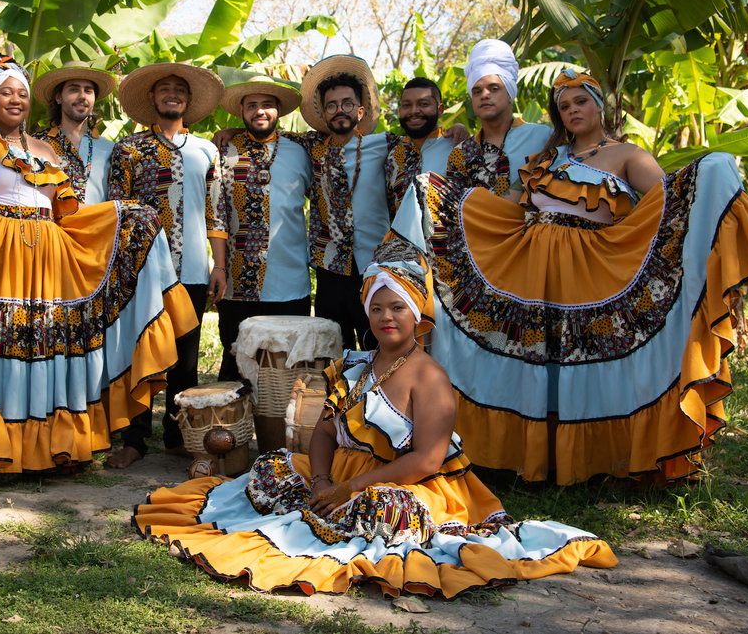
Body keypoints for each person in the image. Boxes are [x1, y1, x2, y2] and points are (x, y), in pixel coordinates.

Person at [133, 239, 617, 598]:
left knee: (383, 510)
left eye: (398, 308)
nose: (388, 317)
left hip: (407, 484)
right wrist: (323, 478)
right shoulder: (355, 364)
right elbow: (324, 429)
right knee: (274, 467)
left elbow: (427, 459)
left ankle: (337, 513)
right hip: (342, 475)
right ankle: (324, 506)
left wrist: (349, 490)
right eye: (378, 308)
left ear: (417, 314)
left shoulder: (431, 378)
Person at [391, 67, 748, 484]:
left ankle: (597, 462)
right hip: (531, 271)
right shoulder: (547, 160)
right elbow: (507, 207)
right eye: (564, 106)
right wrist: (446, 201)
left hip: (589, 270)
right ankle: (533, 458)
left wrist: (711, 173)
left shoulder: (629, 155)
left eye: (581, 102)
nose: (573, 110)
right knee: (539, 358)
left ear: (600, 106)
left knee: (582, 356)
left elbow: (667, 206)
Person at [0, 54, 198, 474]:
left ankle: (57, 448)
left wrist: (124, 219)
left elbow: (69, 212)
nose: (15, 100)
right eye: (5, 93)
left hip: (50, 257)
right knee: (6, 348)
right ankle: (4, 447)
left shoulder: (46, 150)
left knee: (49, 348)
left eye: (21, 93)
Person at [107, 62, 227, 468]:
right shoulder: (129, 149)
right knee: (138, 352)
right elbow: (115, 210)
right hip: (143, 271)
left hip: (193, 270)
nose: (172, 94)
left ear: (188, 100)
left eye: (180, 89)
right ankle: (135, 439)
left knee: (185, 361)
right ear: (152, 99)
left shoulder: (207, 150)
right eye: (164, 89)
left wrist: (219, 266)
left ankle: (178, 436)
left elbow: (217, 214)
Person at [213, 76, 313, 382]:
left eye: (267, 104)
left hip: (291, 281)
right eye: (252, 105)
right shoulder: (225, 149)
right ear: (241, 110)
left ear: (279, 109)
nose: (260, 111)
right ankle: (231, 430)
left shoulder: (303, 148)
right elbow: (216, 212)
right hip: (238, 282)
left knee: (289, 372)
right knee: (236, 366)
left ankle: (286, 431)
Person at [295, 55, 391, 351]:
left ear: (361, 110)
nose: (340, 111)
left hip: (374, 267)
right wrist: (231, 133)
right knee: (334, 352)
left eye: (347, 103)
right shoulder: (310, 147)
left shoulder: (387, 145)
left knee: (378, 349)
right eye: (332, 105)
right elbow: (270, 137)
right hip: (329, 269)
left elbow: (425, 139)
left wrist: (454, 130)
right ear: (323, 114)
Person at [445, 39, 550, 195]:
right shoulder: (461, 153)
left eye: (494, 88)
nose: (484, 95)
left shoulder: (543, 137)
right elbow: (456, 206)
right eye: (477, 91)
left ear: (509, 94)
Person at [30, 61, 118, 204]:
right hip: (50, 225)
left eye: (88, 91)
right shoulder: (37, 144)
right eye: (74, 89)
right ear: (58, 97)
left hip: (97, 225)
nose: (82, 96)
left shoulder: (111, 149)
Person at [384, 77, 462, 217]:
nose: (414, 111)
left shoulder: (457, 147)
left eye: (423, 104)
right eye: (407, 105)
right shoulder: (393, 153)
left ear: (440, 109)